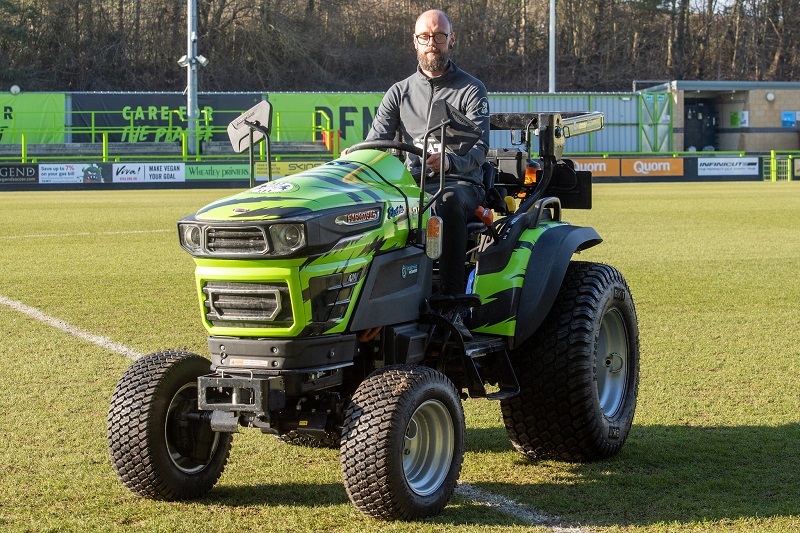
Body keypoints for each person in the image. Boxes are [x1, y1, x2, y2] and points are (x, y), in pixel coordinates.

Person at [361, 9, 490, 296]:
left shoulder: (471, 90)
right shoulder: (398, 93)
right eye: (425, 36)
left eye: (439, 36)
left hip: (461, 184)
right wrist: (357, 158)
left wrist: (450, 162)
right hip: (412, 183)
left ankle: (451, 300)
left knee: (445, 201)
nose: (432, 42)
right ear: (415, 41)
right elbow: (376, 143)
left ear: (451, 39)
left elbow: (480, 151)